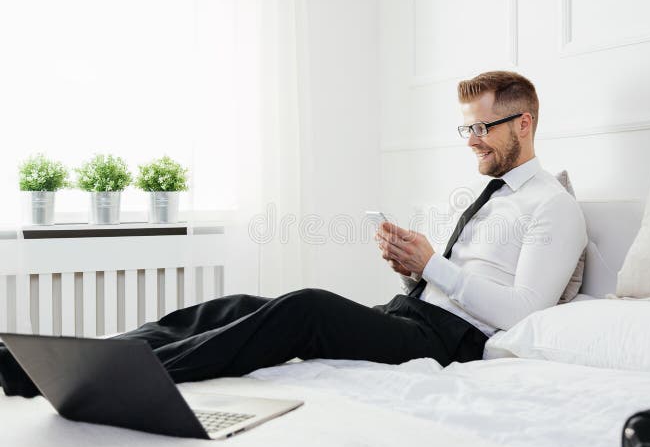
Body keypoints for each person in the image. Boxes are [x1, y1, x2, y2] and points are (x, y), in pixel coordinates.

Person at [0, 71, 587, 398]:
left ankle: (117, 381)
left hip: (451, 345)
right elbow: (454, 278)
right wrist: (412, 266)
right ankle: (78, 358)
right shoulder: (491, 197)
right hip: (413, 314)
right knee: (243, 305)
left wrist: (434, 266)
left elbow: (522, 311)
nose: (472, 141)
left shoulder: (553, 208)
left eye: (481, 127)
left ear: (524, 123)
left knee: (304, 308)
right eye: (465, 128)